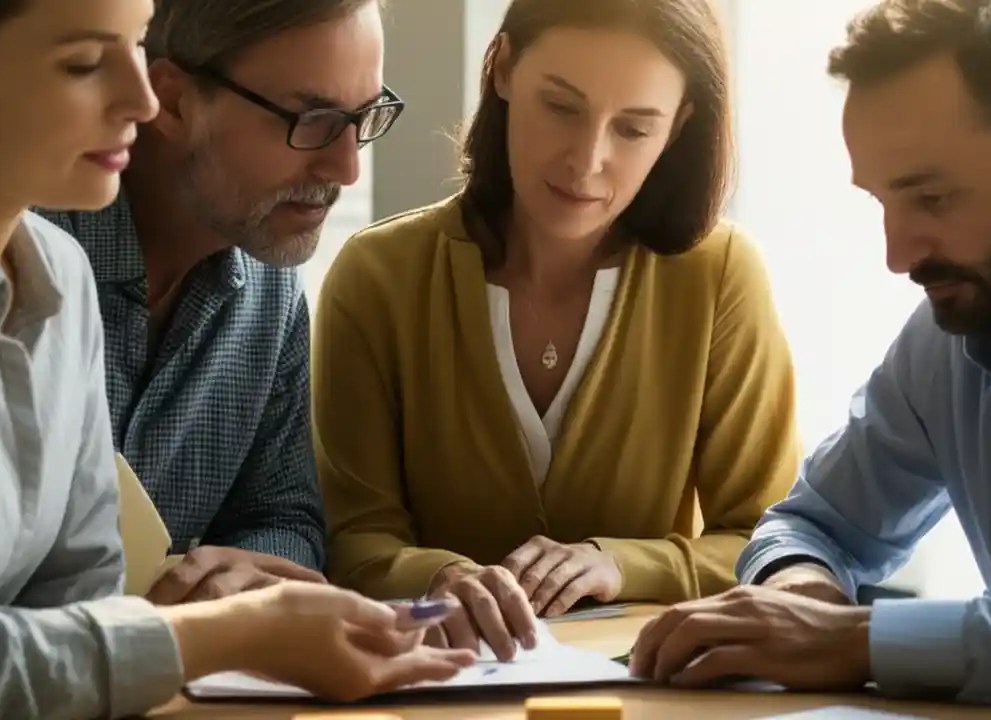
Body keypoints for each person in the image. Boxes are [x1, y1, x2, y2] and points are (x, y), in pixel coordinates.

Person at [0, 0, 471, 717]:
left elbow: (86, 603)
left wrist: (226, 618)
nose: (139, 99)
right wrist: (233, 630)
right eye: (84, 63)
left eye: (135, 46)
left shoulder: (57, 270)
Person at [629, 0, 991, 710]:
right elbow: (812, 523)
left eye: (934, 197)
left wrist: (856, 642)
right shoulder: (952, 334)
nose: (898, 257)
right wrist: (802, 600)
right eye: (881, 202)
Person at [315, 0, 801, 662]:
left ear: (678, 126)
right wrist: (440, 578)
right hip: (433, 685)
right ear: (506, 69)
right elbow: (352, 537)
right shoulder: (378, 278)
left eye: (633, 129)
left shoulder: (721, 278)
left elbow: (771, 541)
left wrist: (620, 565)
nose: (586, 160)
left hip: (651, 692)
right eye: (562, 108)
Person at [41, 0, 404, 604]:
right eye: (311, 118)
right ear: (174, 101)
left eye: (364, 117)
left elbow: (286, 517)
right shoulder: (18, 259)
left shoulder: (270, 286)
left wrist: (247, 571)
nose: (346, 169)